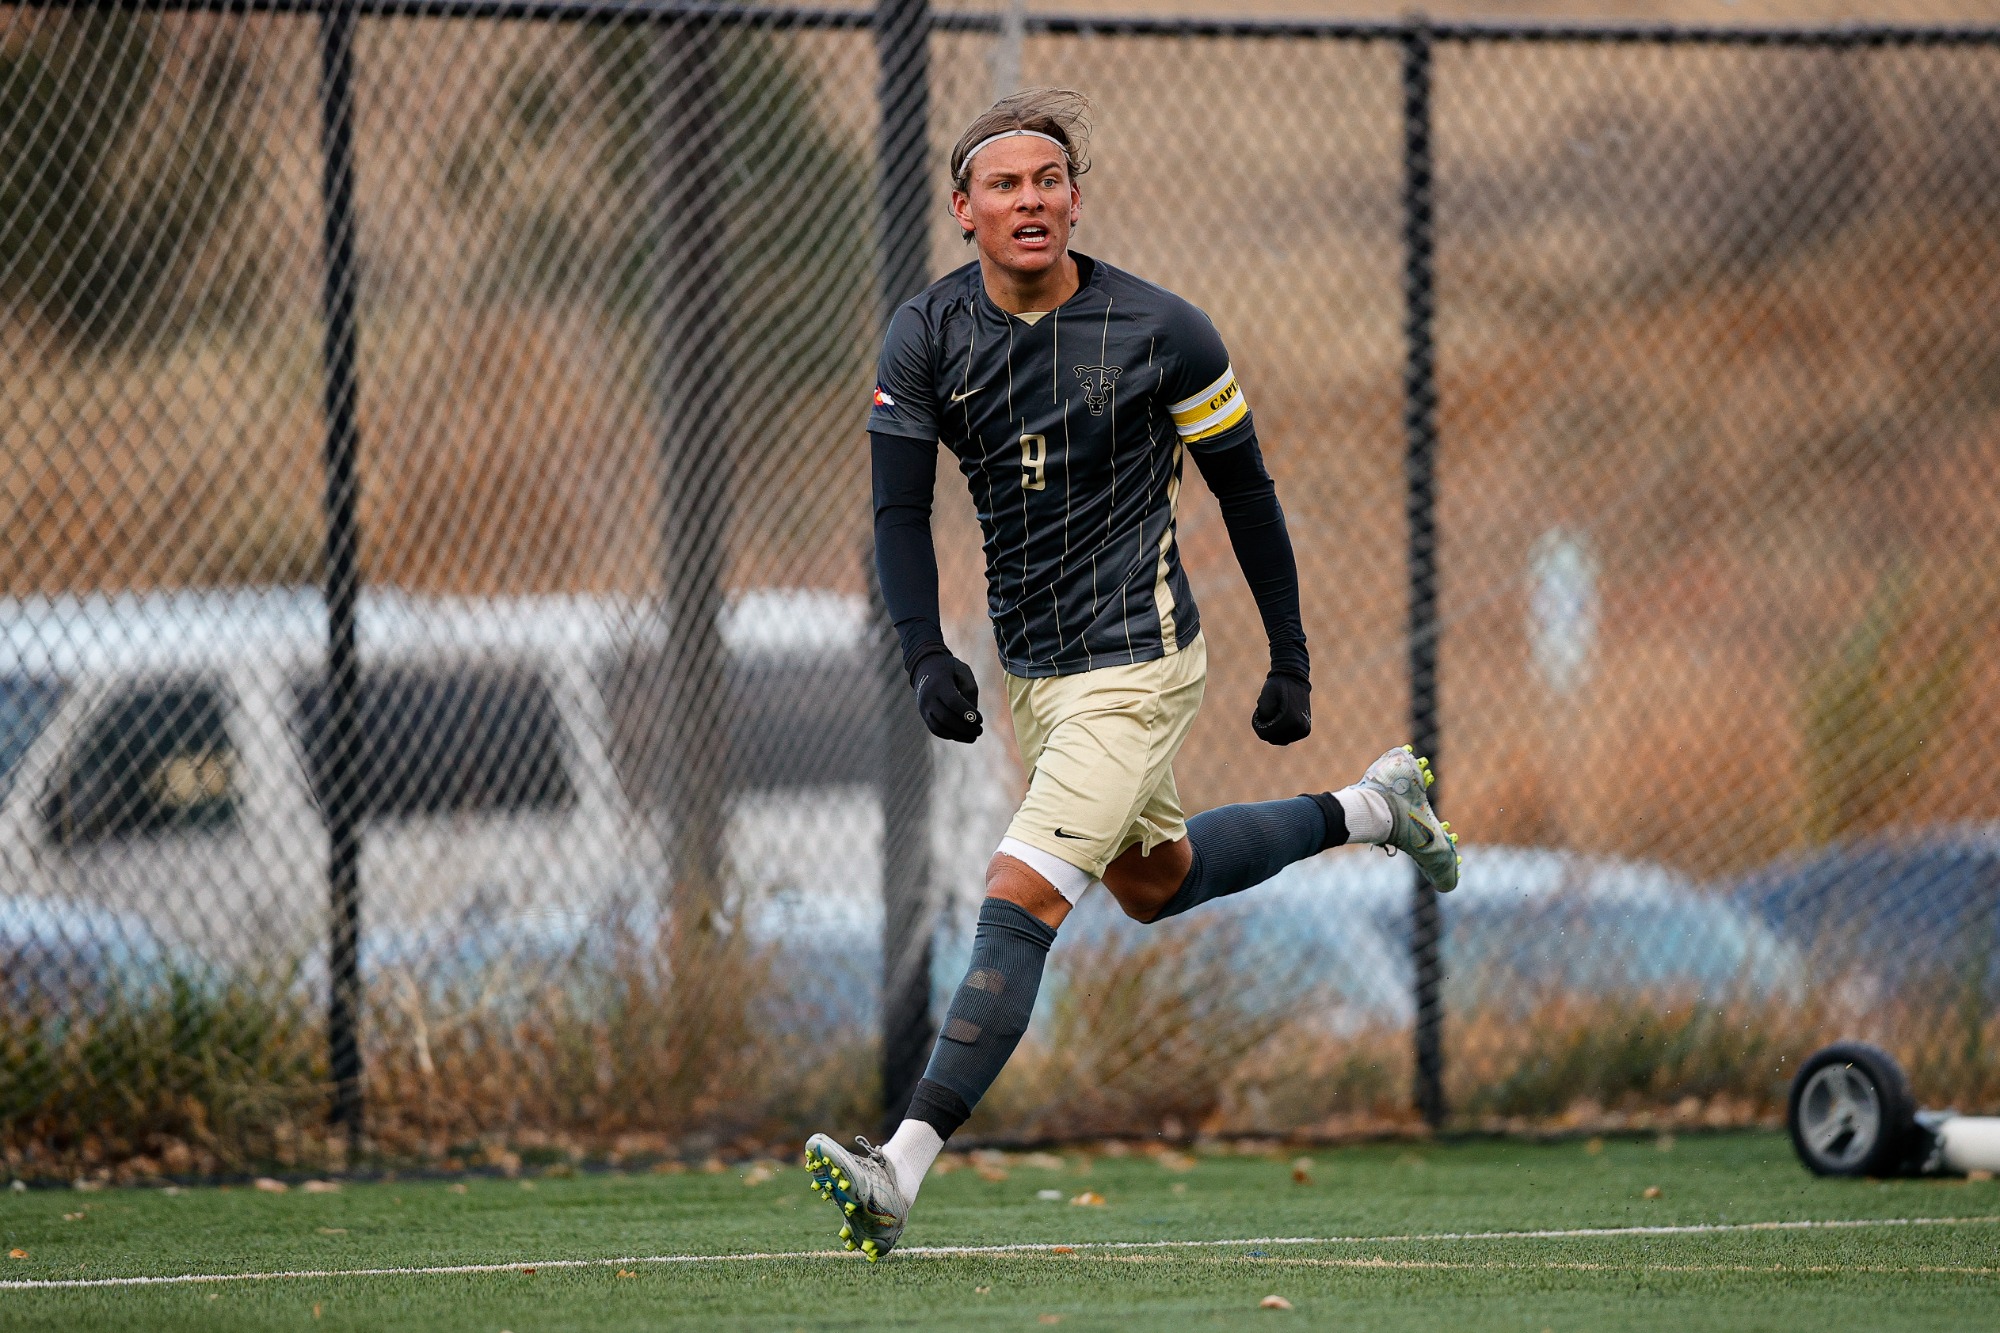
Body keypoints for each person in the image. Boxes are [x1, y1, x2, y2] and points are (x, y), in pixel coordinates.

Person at [805, 88, 1459, 1261]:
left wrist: (1289, 656)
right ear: (962, 210)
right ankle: (1372, 806)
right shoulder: (925, 335)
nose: (1030, 200)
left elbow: (1245, 492)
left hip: (1139, 658)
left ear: (1073, 199)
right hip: (1038, 676)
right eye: (1004, 185)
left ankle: (898, 1167)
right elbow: (896, 514)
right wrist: (922, 652)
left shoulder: (1162, 331)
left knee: (1018, 897)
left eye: (1049, 181)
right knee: (1154, 882)